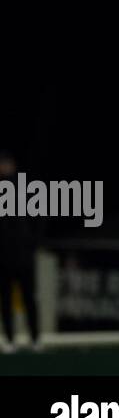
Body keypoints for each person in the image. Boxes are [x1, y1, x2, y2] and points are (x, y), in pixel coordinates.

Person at [0, 150, 42, 351]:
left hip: (24, 257)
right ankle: (9, 340)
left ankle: (35, 338)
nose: (5, 167)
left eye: (7, 163)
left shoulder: (26, 190)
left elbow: (38, 221)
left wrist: (32, 245)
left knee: (29, 299)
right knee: (6, 300)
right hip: (4, 258)